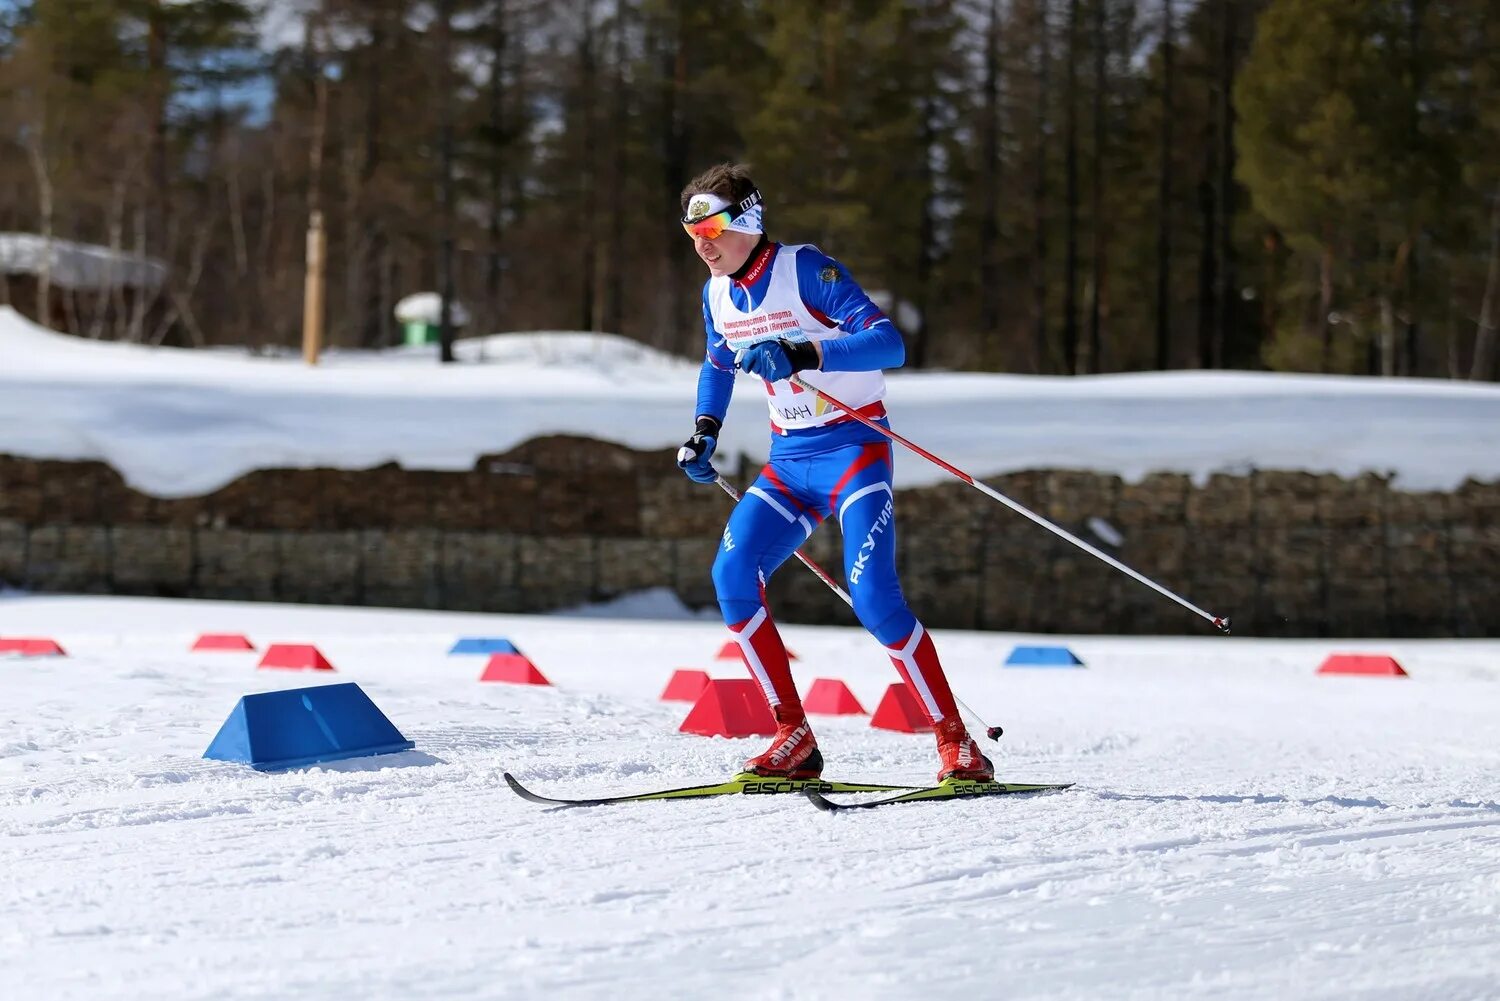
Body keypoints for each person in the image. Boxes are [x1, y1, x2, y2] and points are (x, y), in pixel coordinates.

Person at [674, 162, 993, 783]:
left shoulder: (803, 270)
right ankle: (792, 737)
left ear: (748, 222)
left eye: (711, 228)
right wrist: (704, 431)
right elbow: (717, 365)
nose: (702, 244)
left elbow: (889, 343)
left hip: (854, 453)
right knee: (731, 574)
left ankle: (957, 744)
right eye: (691, 233)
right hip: (789, 462)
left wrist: (803, 351)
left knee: (871, 593)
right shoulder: (716, 295)